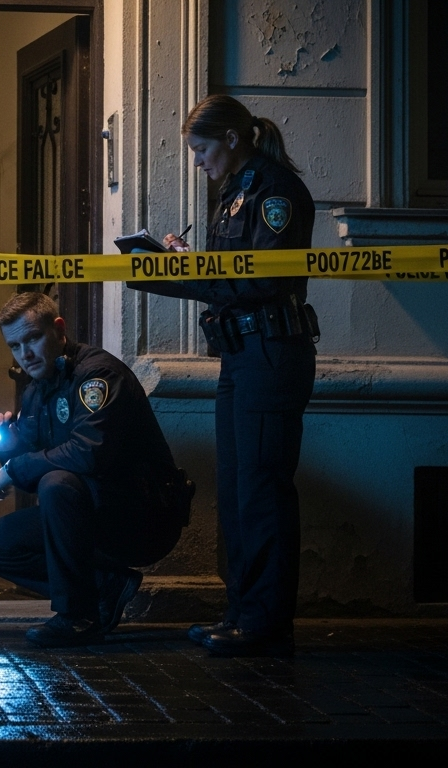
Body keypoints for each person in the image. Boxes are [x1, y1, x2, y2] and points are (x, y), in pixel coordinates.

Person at [127, 94, 317, 657]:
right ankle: (242, 611)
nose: (197, 161)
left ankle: (263, 621)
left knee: (262, 491)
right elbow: (232, 273)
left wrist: (175, 277)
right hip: (242, 356)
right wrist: (189, 264)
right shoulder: (236, 192)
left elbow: (258, 282)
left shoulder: (274, 192)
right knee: (238, 489)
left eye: (202, 148)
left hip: (271, 353)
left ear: (232, 139)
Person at [0, 291, 193, 648]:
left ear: (58, 330)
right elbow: (35, 469)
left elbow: (88, 455)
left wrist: (15, 467)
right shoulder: (36, 391)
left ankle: (78, 617)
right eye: (14, 346)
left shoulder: (97, 375)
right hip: (89, 512)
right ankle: (105, 585)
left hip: (141, 517)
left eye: (32, 339)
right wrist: (12, 449)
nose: (25, 354)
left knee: (58, 483)